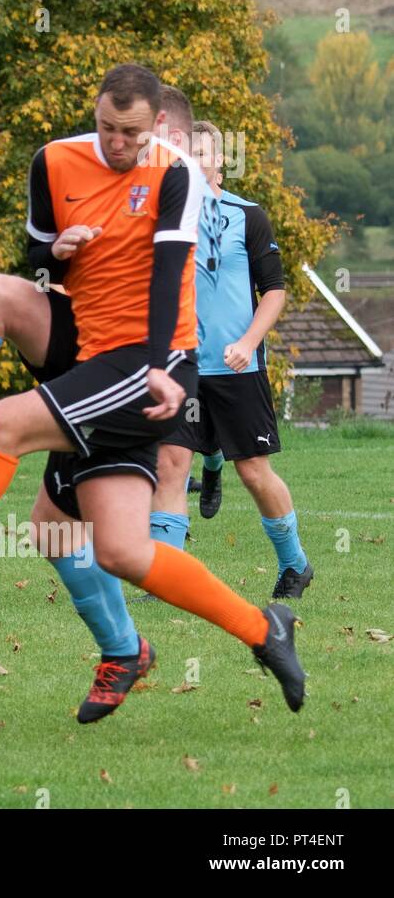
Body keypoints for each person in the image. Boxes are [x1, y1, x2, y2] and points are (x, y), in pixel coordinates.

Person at [0, 65, 307, 716]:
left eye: (131, 132)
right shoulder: (54, 161)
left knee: (3, 423)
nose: (116, 142)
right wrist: (60, 248)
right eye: (106, 126)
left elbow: (169, 274)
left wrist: (165, 364)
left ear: (158, 127)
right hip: (85, 343)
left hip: (144, 360)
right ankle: (240, 632)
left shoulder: (174, 174)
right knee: (82, 537)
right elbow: (38, 256)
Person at [151, 122, 311, 599]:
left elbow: (275, 291)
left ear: (219, 161)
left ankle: (295, 565)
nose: (194, 164)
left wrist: (248, 341)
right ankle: (165, 581)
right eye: (185, 156)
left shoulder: (249, 216)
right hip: (181, 367)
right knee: (170, 463)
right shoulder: (165, 221)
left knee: (254, 472)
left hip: (238, 369)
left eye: (202, 154)